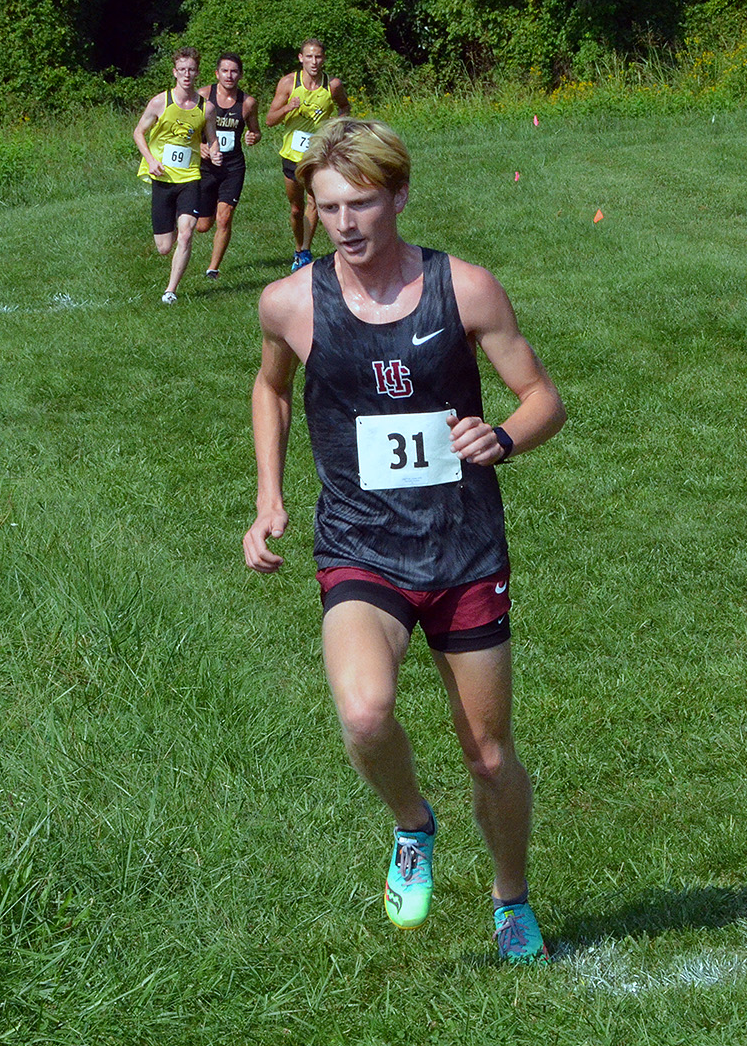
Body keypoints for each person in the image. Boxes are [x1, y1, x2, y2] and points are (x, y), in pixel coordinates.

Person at [243, 118, 566, 964]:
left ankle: (511, 900)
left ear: (399, 196)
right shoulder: (289, 303)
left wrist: (502, 436)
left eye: (362, 204)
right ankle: (411, 823)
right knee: (364, 709)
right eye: (328, 207)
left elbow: (541, 399)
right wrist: (269, 495)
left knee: (491, 757)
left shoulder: (464, 289)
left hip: (463, 548)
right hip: (361, 546)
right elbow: (271, 390)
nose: (345, 224)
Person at [133, 47, 220, 303]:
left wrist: (215, 153)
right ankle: (170, 216)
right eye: (182, 70)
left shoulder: (207, 108)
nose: (187, 74)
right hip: (163, 178)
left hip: (190, 177)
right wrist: (150, 160)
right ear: (174, 72)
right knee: (164, 247)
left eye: (191, 70)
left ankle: (170, 291)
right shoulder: (161, 102)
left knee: (187, 232)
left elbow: (213, 140)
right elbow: (139, 132)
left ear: (197, 73)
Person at [265, 38, 350, 273]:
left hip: (318, 155)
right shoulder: (288, 83)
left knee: (315, 201)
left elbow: (345, 107)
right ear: (301, 58)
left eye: (319, 56)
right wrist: (287, 108)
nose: (314, 61)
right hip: (292, 154)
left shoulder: (332, 85)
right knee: (295, 208)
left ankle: (304, 251)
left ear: (324, 59)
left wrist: (338, 121)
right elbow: (270, 120)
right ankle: (298, 246)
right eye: (309, 57)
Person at [195, 52, 263, 280]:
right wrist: (200, 146)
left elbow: (256, 131)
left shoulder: (248, 103)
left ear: (240, 75)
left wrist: (253, 136)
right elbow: (188, 128)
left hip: (232, 167)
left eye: (234, 71)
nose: (229, 75)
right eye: (225, 71)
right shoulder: (204, 96)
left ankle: (212, 269)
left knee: (224, 217)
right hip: (205, 167)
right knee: (203, 225)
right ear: (217, 73)